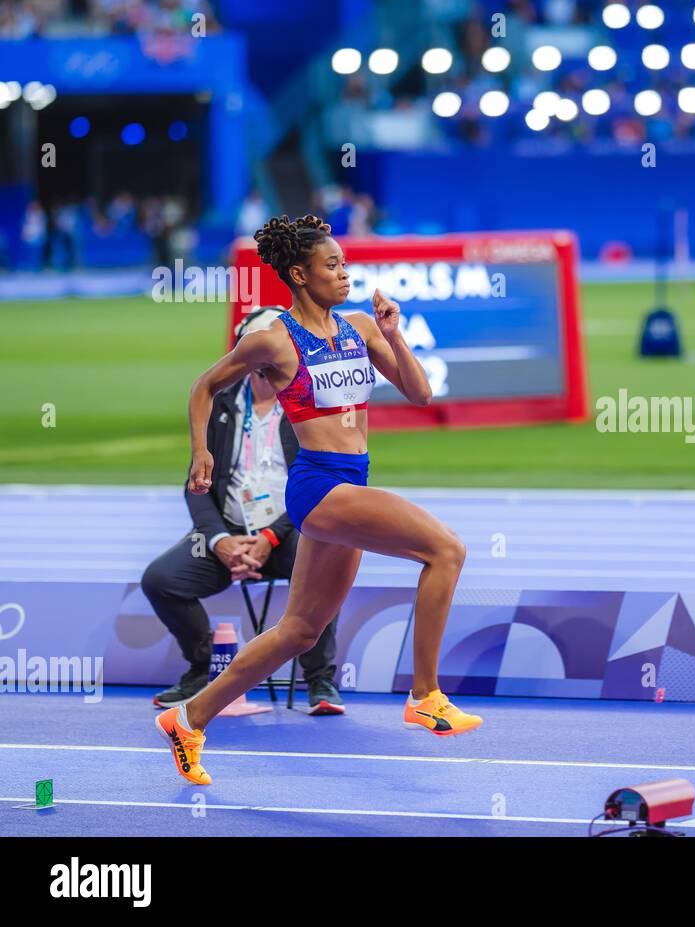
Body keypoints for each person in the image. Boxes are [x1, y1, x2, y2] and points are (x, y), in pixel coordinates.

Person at [156, 214, 477, 787]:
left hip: (350, 480)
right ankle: (426, 694)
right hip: (320, 487)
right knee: (446, 551)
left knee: (300, 629)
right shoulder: (273, 339)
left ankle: (189, 718)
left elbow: (421, 391)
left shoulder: (359, 326)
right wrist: (201, 452)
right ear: (300, 274)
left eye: (345, 264)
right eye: (332, 266)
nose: (345, 274)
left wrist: (394, 333)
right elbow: (204, 385)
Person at [141, 307, 344, 715]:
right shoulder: (219, 406)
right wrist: (220, 540)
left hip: (291, 530)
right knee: (161, 579)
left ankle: (320, 679)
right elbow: (196, 485)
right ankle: (204, 669)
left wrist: (271, 536)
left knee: (326, 556)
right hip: (229, 534)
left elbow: (325, 484)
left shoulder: (312, 404)